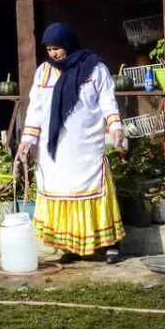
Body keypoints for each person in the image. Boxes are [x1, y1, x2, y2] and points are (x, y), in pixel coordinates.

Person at [16, 22, 126, 261]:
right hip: (55, 149)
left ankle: (111, 245)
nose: (54, 54)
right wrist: (27, 140)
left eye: (57, 48)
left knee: (94, 192)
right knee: (62, 193)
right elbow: (36, 108)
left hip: (86, 145)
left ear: (68, 43)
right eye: (49, 49)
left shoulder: (94, 69)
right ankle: (71, 246)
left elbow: (107, 99)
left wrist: (115, 126)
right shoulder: (44, 72)